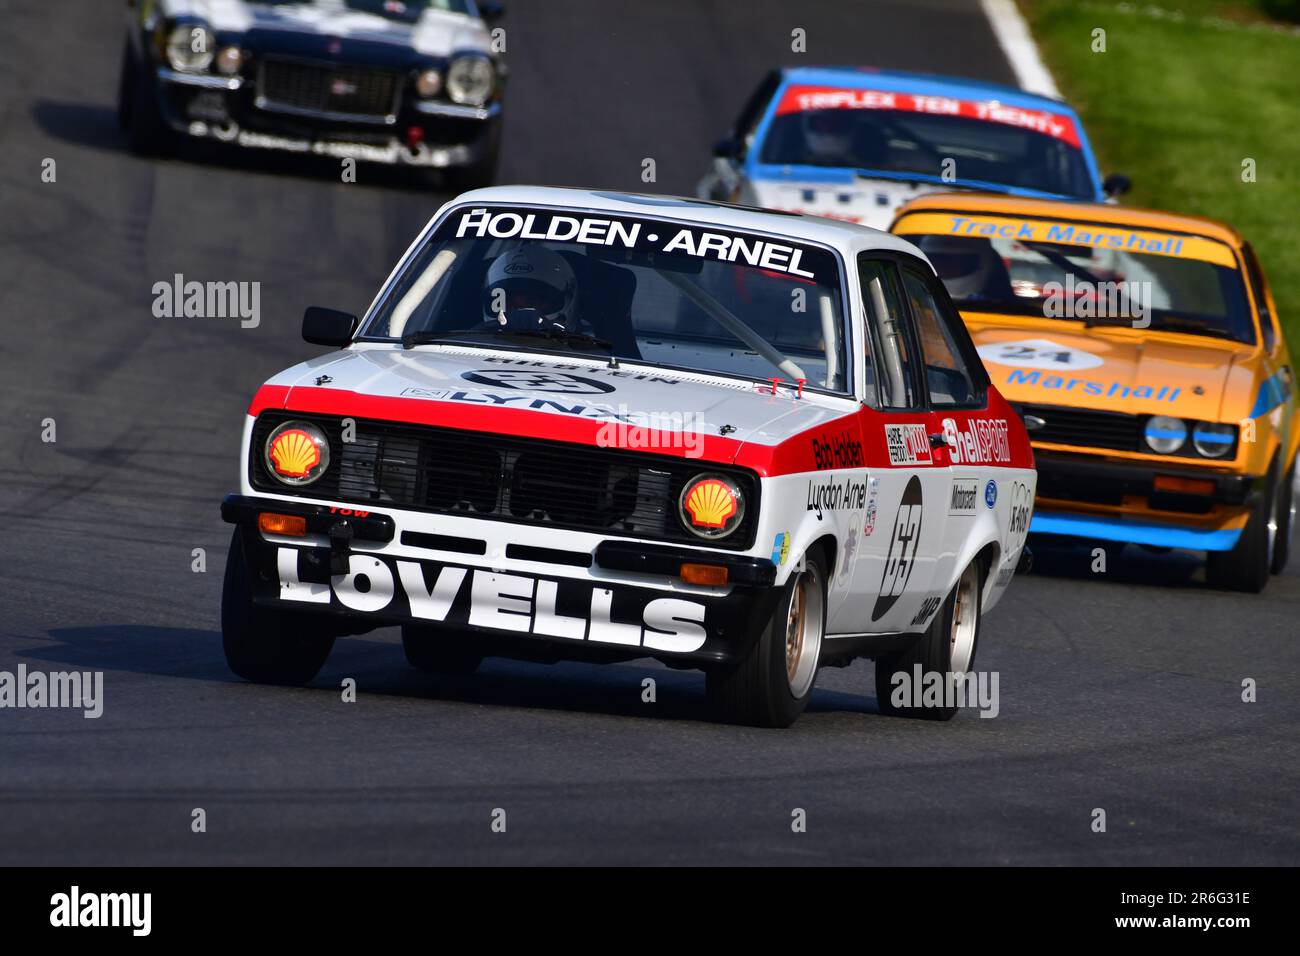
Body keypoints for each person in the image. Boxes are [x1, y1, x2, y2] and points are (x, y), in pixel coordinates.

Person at [481, 245, 579, 330]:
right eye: (510, 304)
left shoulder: (588, 348)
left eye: (532, 302)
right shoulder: (471, 341)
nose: (521, 314)